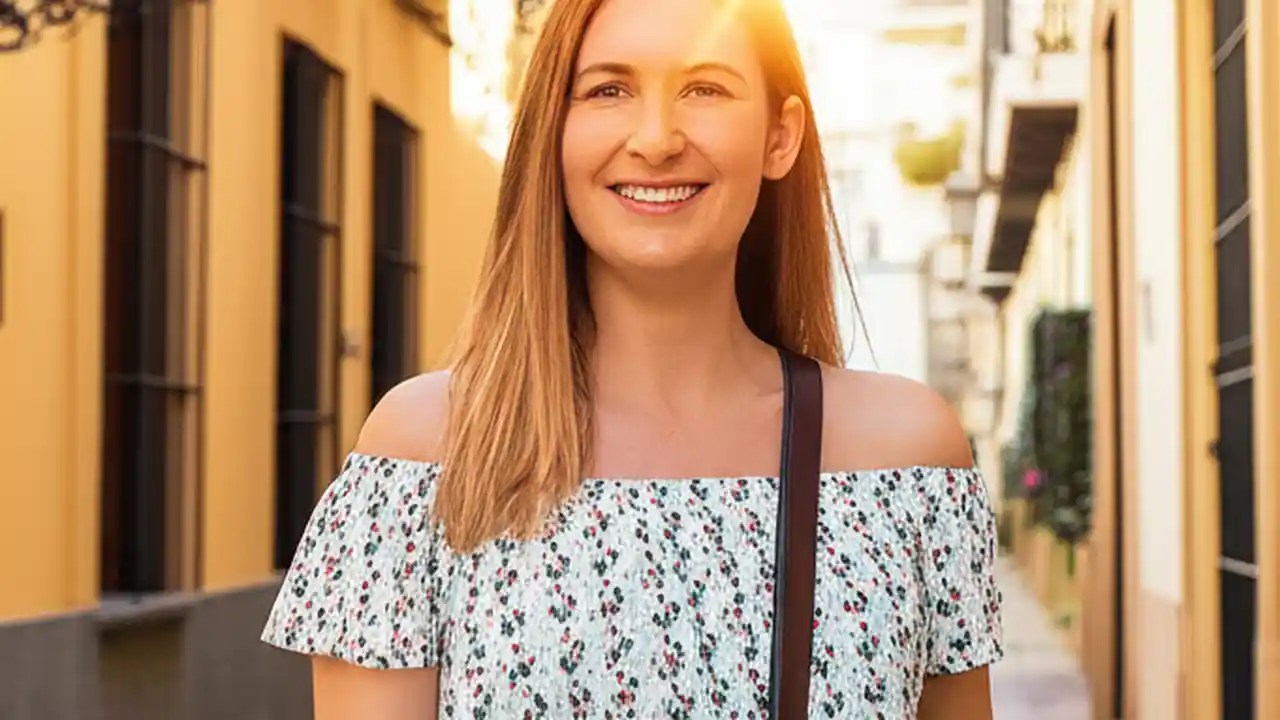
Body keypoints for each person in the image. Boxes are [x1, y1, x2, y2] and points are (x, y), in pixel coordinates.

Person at [261, 0, 1004, 717]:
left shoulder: (906, 465)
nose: (655, 139)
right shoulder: (424, 459)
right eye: (608, 90)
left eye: (705, 89)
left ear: (780, 137)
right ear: (552, 130)